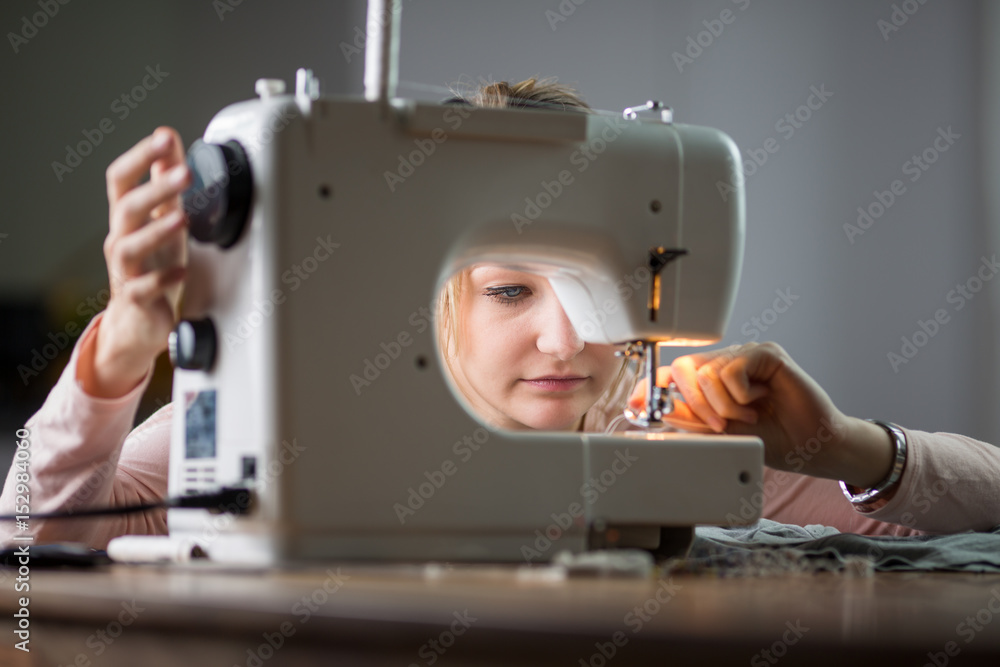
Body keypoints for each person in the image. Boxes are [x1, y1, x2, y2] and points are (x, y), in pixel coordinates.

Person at [3, 79, 999, 551]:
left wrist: (848, 447)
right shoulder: (280, 433)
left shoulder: (654, 443)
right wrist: (127, 347)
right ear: (430, 297)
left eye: (588, 292)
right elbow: (28, 536)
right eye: (511, 290)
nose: (567, 339)